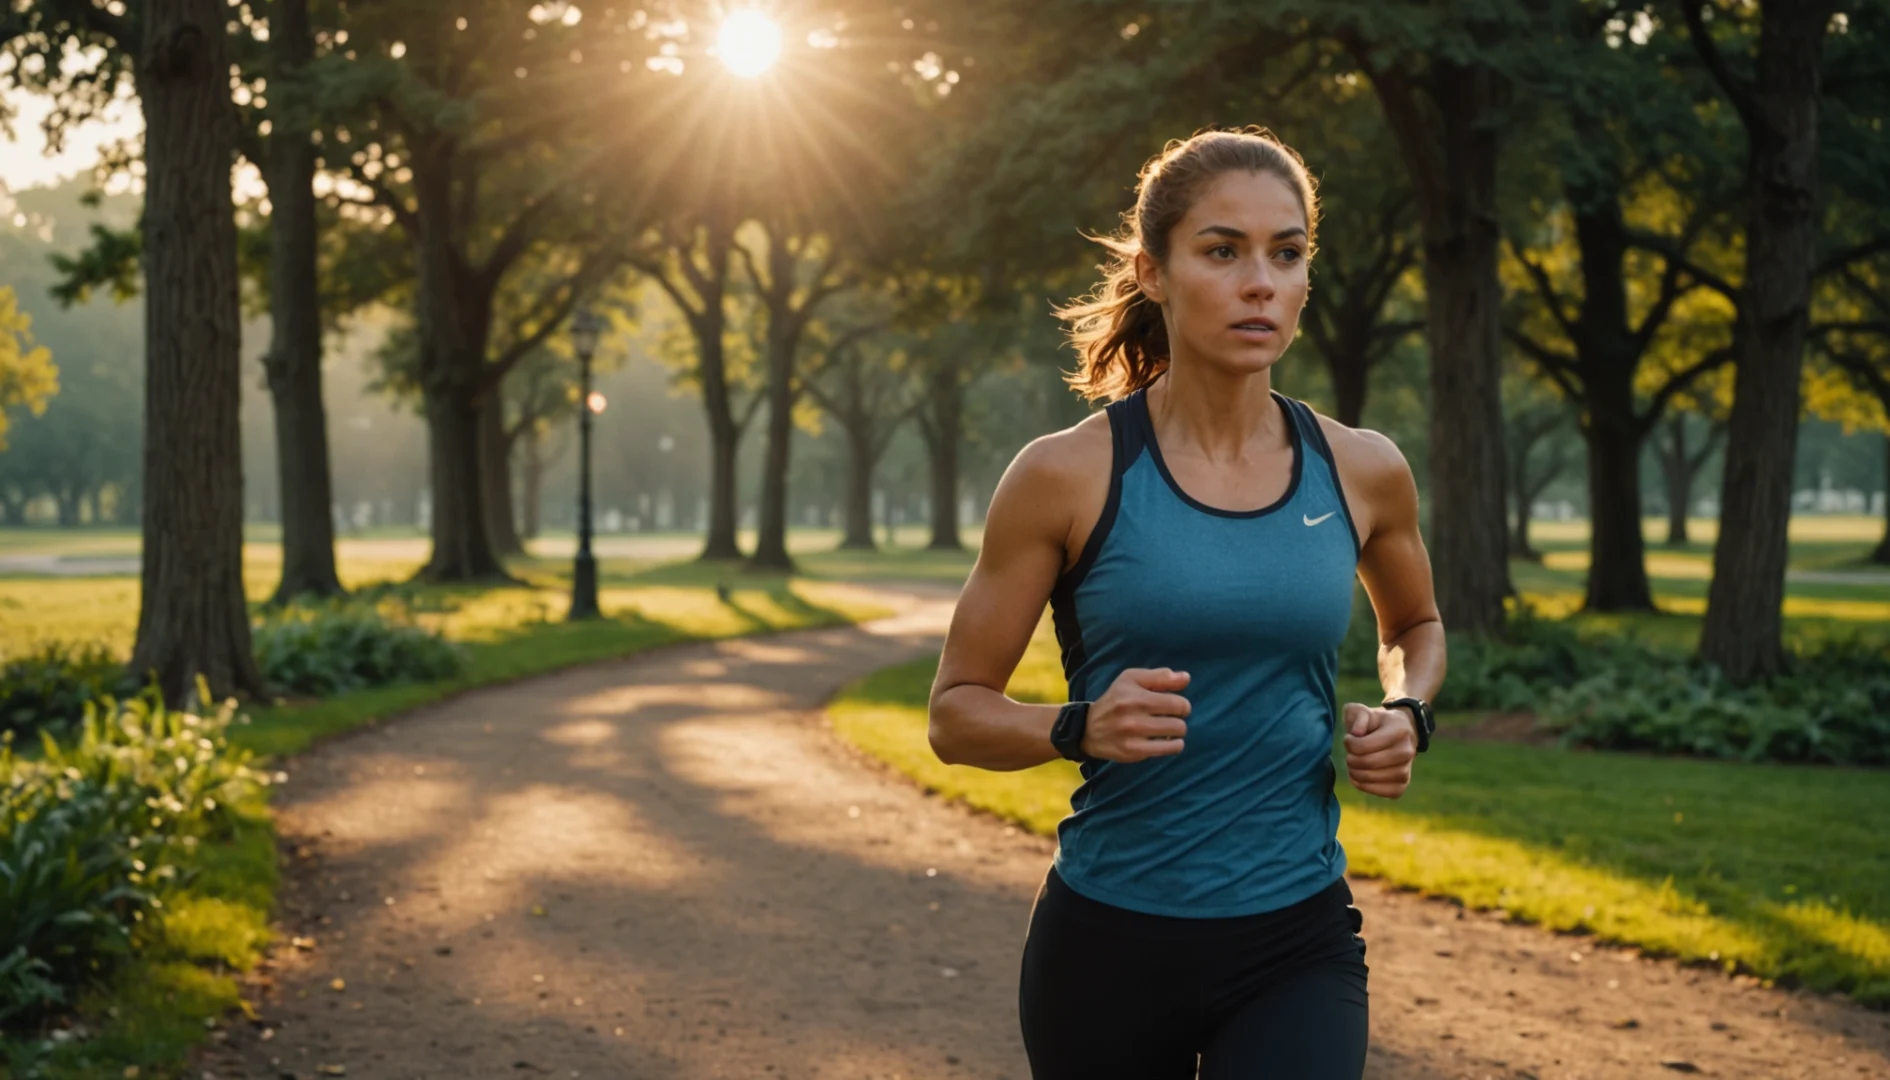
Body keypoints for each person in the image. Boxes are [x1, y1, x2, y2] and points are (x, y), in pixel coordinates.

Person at [925, 127, 1447, 1079]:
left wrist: (1407, 708)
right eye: (1223, 251)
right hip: (1109, 946)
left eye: (1286, 254)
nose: (1261, 284)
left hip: (1297, 939)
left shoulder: (1364, 469)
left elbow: (1414, 626)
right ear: (1154, 273)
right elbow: (955, 716)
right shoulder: (1066, 475)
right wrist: (1080, 725)